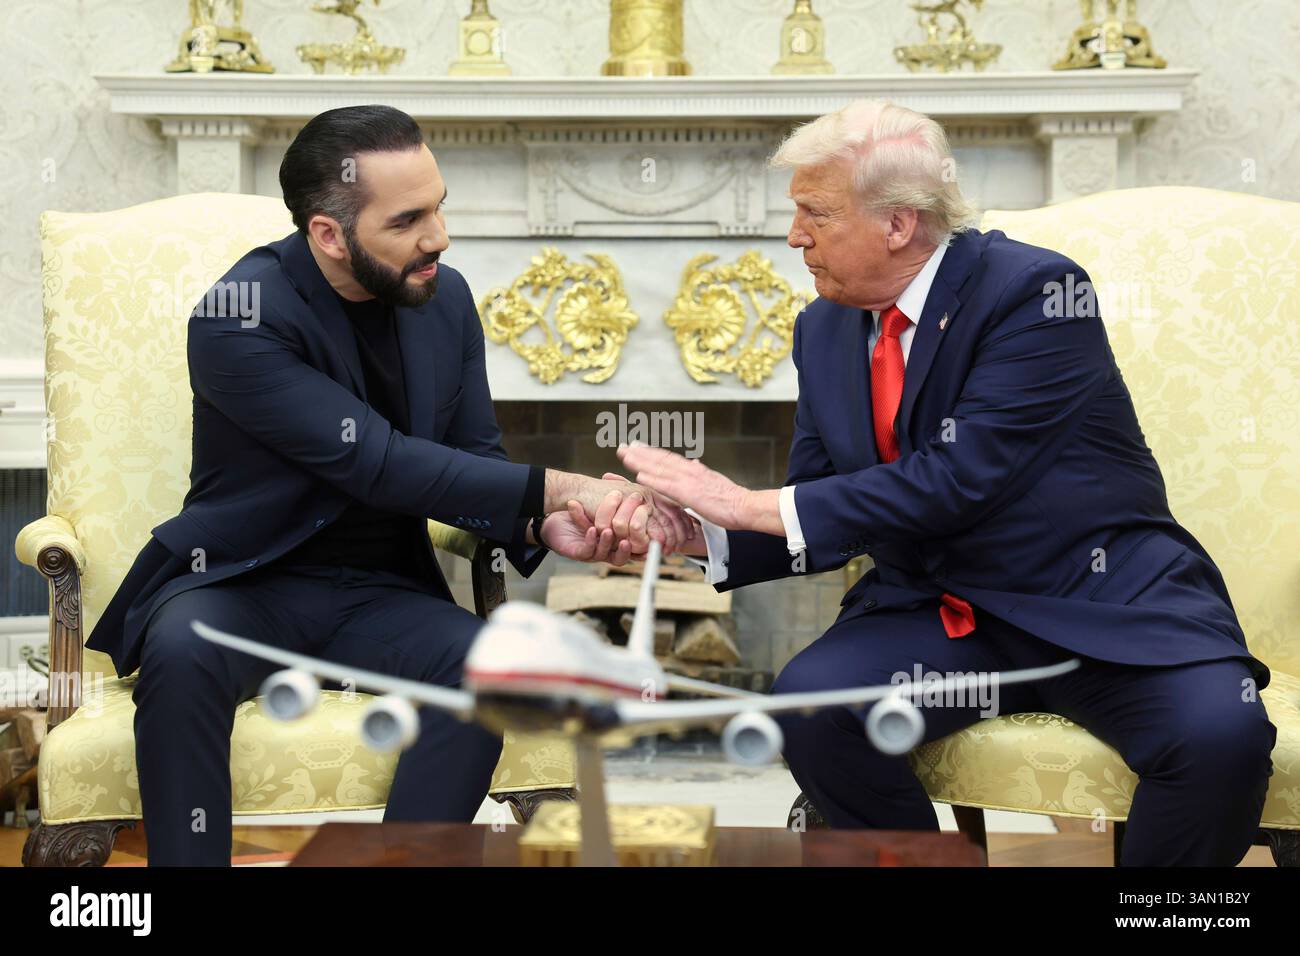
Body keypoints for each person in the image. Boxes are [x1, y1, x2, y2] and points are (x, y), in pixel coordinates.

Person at [620, 99, 1277, 866]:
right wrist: (709, 534)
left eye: (816, 213)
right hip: (943, 615)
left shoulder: (1035, 294)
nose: (795, 234)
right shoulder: (824, 326)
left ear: (899, 223)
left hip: (1098, 603)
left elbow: (960, 480)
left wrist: (747, 502)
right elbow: (825, 501)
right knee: (814, 706)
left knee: (1219, 737)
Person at [87, 105, 691, 866]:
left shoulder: (443, 298)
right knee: (183, 657)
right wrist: (568, 487)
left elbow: (474, 455)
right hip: (240, 581)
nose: (437, 236)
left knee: (485, 671)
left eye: (438, 207)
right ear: (329, 234)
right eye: (408, 220)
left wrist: (542, 525)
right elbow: (376, 462)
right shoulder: (238, 315)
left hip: (379, 591)